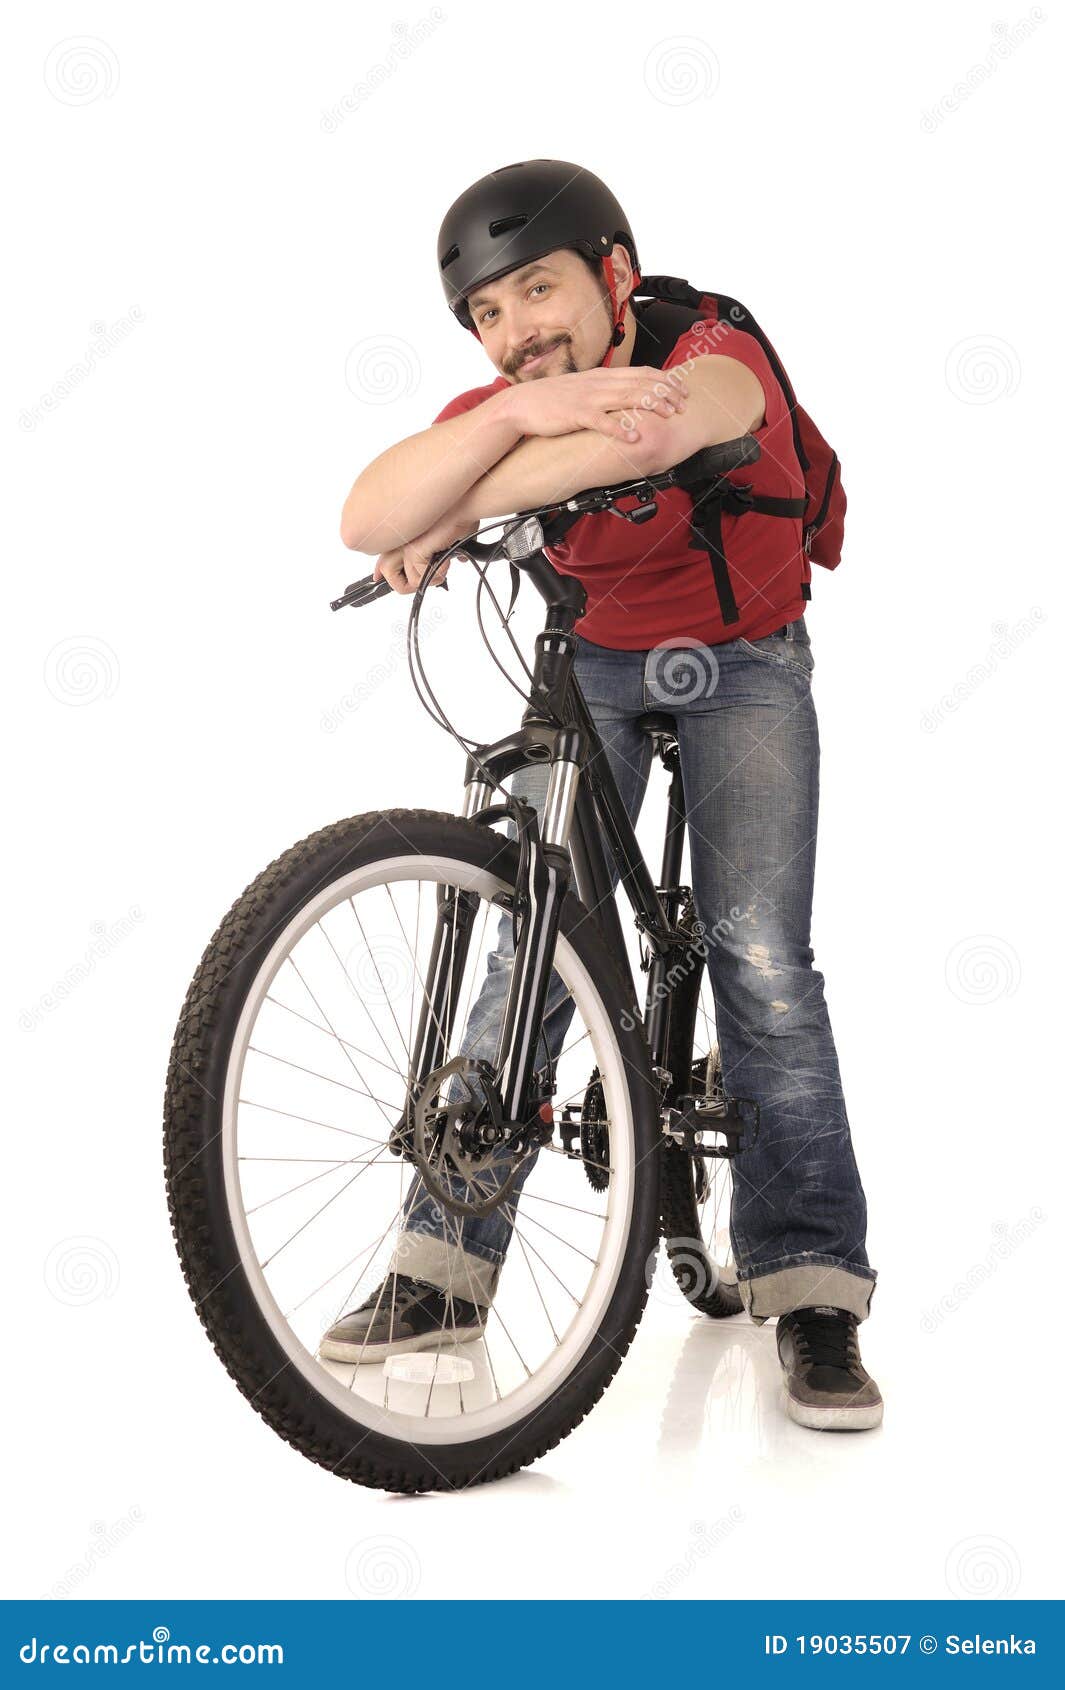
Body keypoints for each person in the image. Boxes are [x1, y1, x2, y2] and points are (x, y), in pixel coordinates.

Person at [326, 159, 882, 1432]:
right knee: (528, 942)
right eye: (487, 317)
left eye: (540, 290)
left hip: (742, 666)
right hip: (597, 665)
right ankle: (441, 1276)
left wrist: (471, 477)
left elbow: (656, 430)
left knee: (760, 961)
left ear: (615, 276)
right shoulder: (530, 394)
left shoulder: (715, 350)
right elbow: (366, 513)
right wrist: (516, 417)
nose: (516, 332)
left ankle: (812, 1290)